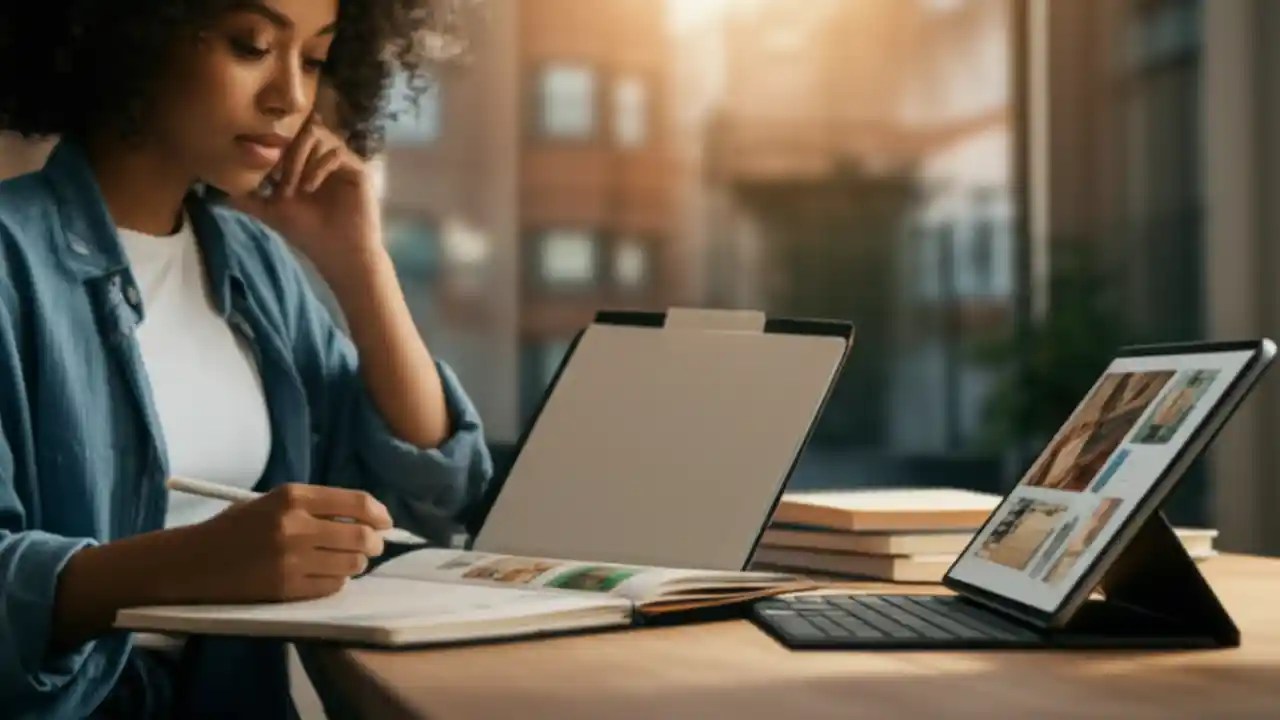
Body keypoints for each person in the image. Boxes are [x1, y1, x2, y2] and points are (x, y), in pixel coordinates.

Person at [0, 1, 493, 717]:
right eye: (251, 45)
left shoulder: (255, 268)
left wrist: (359, 264)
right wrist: (194, 563)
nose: (290, 97)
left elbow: (429, 497)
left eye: (315, 59)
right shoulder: (11, 259)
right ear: (132, 38)